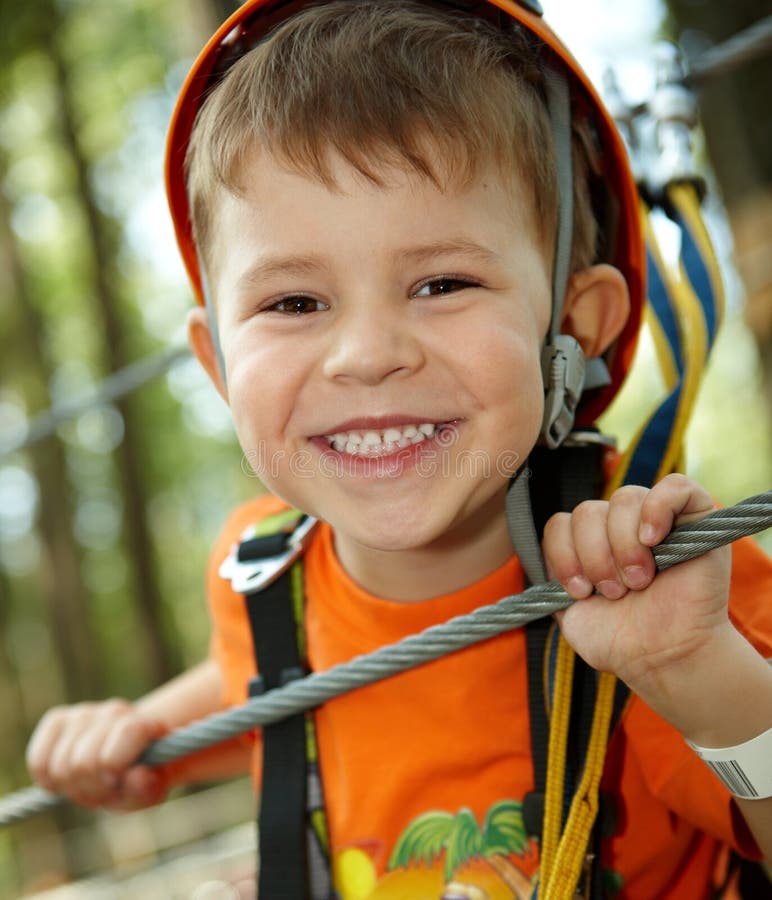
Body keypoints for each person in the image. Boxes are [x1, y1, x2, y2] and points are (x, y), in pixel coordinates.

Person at [26, 1, 772, 897]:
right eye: (294, 303)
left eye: (442, 283)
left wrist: (691, 670)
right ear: (217, 365)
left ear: (573, 327)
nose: (369, 355)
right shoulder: (262, 577)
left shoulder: (667, 579)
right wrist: (140, 740)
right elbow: (264, 674)